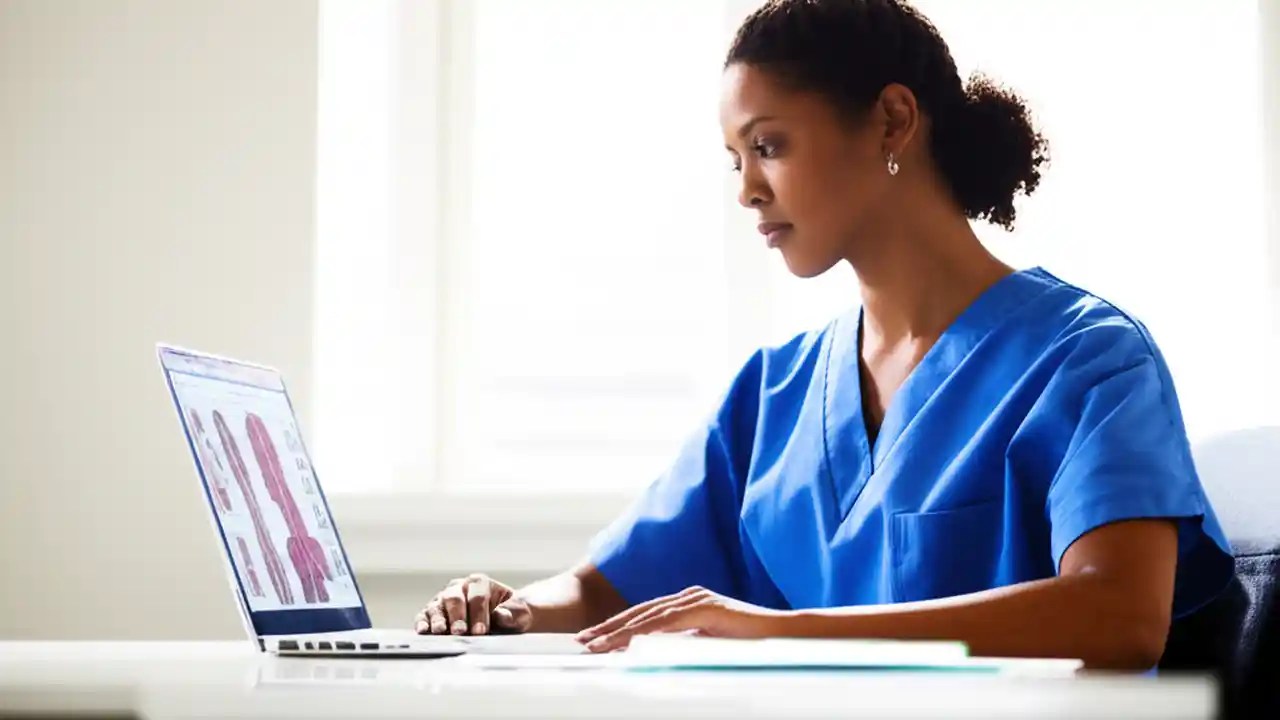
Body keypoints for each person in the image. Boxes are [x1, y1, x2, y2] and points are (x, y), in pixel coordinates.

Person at [414, 0, 1233, 670]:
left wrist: (778, 633)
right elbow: (605, 592)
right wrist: (510, 609)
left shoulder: (1088, 359)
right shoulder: (774, 392)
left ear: (891, 121)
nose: (746, 191)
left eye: (768, 145)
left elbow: (1120, 617)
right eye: (734, 157)